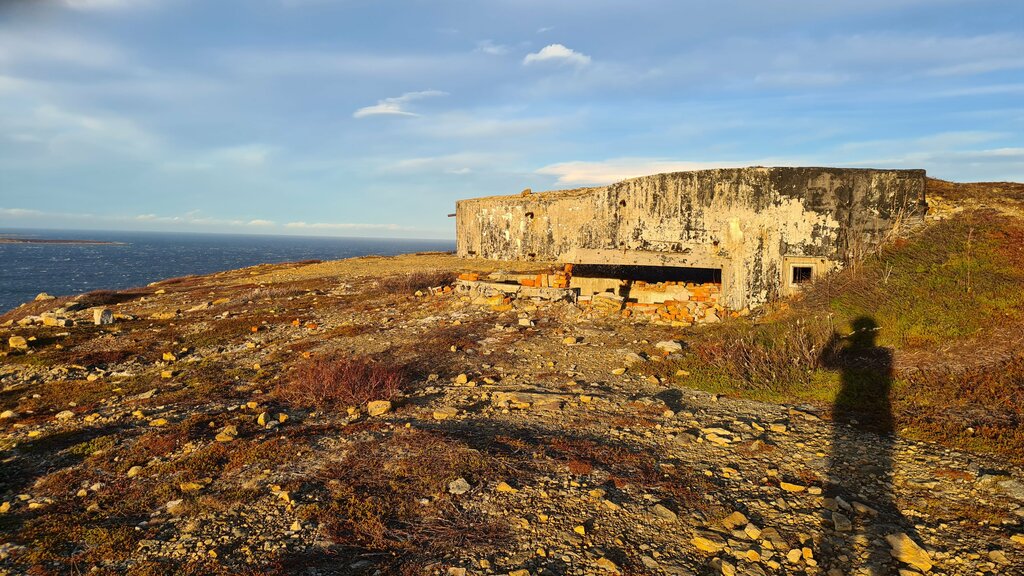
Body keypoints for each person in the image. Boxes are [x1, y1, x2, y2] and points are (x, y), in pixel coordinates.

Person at [822, 316, 911, 575]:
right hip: (875, 409)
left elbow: (827, 364)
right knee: (870, 461)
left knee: (844, 456)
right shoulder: (882, 353)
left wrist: (833, 343)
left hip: (852, 406)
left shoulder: (874, 353)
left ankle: (854, 492)